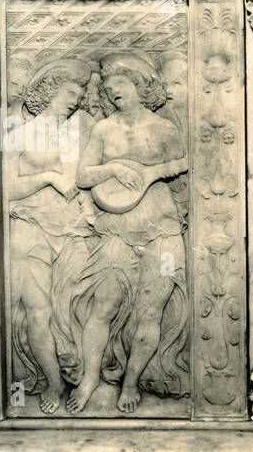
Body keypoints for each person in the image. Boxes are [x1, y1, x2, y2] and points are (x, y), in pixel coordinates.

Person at [67, 53, 190, 414]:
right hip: (116, 230)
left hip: (163, 229)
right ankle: (90, 377)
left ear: (139, 84)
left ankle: (131, 383)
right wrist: (115, 168)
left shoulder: (164, 128)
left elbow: (186, 162)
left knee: (151, 310)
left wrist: (152, 173)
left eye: (120, 82)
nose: (112, 89)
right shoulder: (104, 130)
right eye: (108, 86)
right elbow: (83, 176)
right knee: (103, 304)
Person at [6, 58, 95, 414]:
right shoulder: (19, 135)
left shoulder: (75, 133)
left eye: (79, 94)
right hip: (30, 230)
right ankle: (54, 383)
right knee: (39, 313)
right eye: (69, 92)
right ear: (48, 92)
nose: (75, 99)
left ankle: (86, 374)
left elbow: (83, 181)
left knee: (81, 306)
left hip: (72, 229)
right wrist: (47, 178)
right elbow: (5, 188)